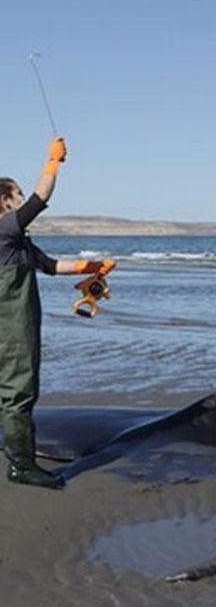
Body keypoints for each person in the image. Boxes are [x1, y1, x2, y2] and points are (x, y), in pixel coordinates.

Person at [1, 137, 117, 489]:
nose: (22, 199)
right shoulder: (4, 229)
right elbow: (40, 199)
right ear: (4, 201)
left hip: (17, 324)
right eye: (17, 195)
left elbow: (50, 266)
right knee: (18, 391)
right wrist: (52, 163)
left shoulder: (17, 241)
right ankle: (21, 466)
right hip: (11, 328)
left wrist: (91, 267)